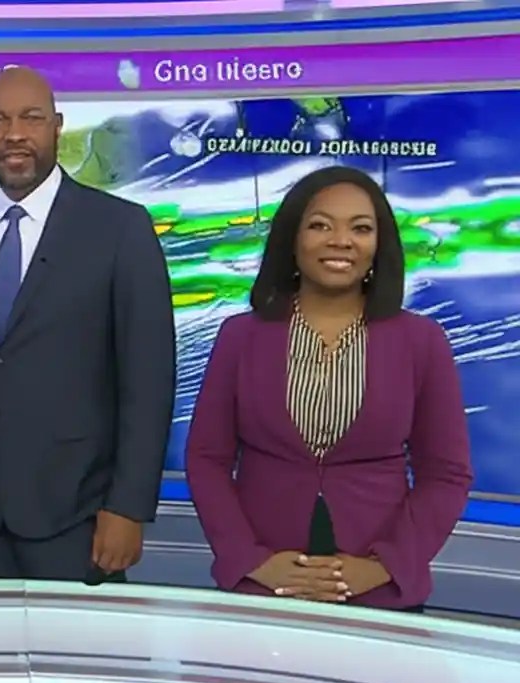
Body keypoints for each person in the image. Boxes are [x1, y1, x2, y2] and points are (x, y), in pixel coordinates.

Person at [0, 67, 177, 581]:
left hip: (80, 515)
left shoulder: (120, 229)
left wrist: (129, 507)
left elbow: (148, 381)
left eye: (31, 118)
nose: (14, 133)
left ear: (57, 126)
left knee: (83, 659)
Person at [185, 165, 473, 612]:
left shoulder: (421, 341)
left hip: (379, 591)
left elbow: (445, 473)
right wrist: (251, 559)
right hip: (264, 584)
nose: (341, 241)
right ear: (292, 239)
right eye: (320, 226)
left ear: (379, 246)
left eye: (361, 228)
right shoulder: (241, 336)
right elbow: (207, 459)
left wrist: (383, 566)